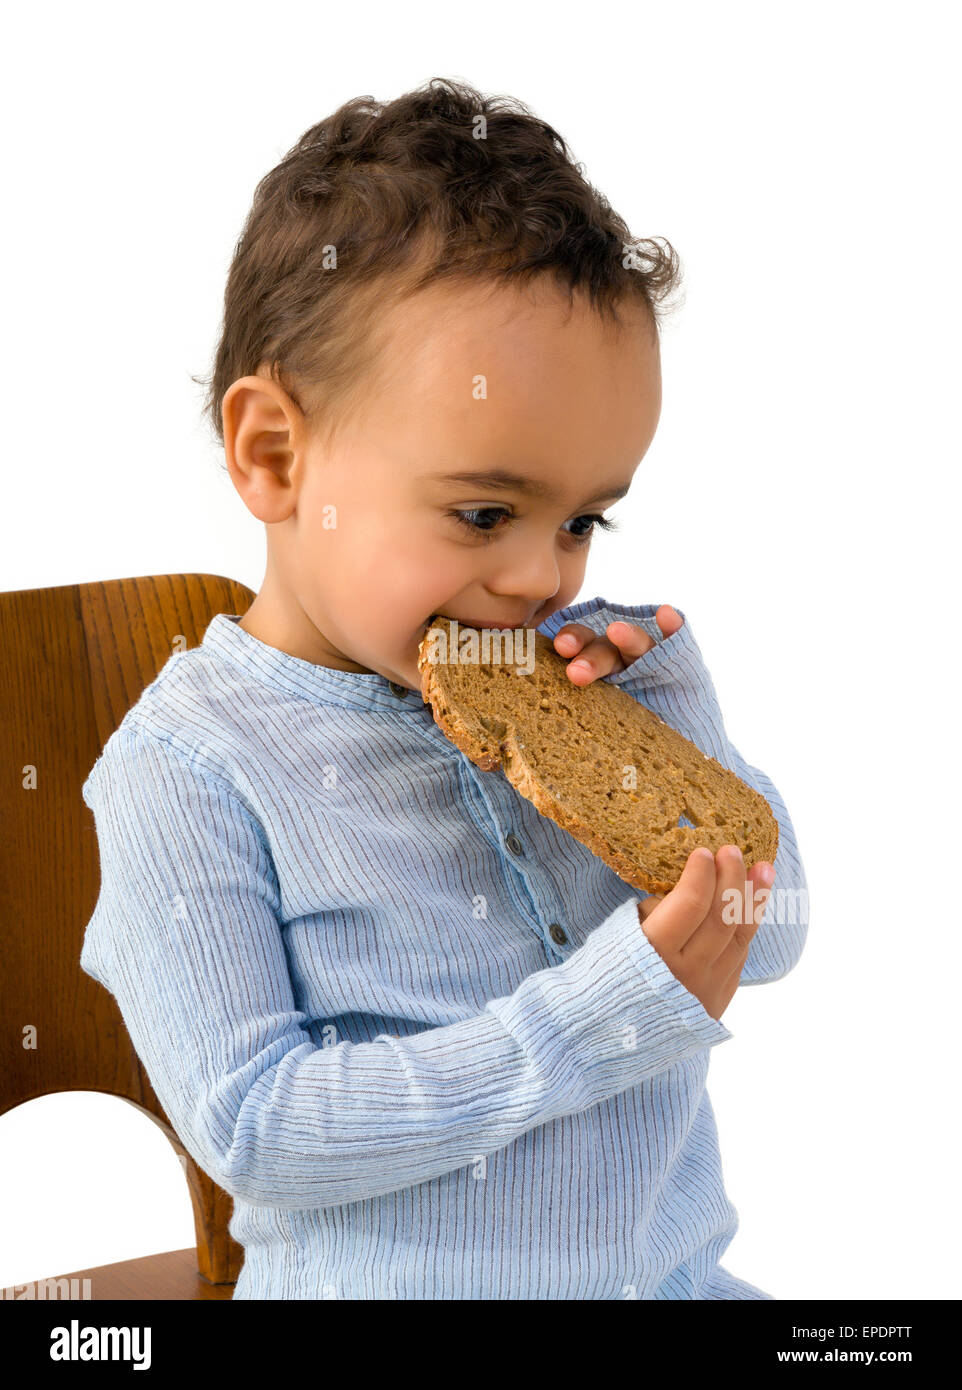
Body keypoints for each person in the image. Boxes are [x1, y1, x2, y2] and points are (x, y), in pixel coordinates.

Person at [79, 77, 808, 1300]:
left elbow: (774, 937)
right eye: (483, 511)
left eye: (583, 517)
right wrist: (604, 1011)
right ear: (274, 453)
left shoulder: (579, 697)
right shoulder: (190, 770)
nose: (540, 575)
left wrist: (668, 715)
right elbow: (259, 1126)